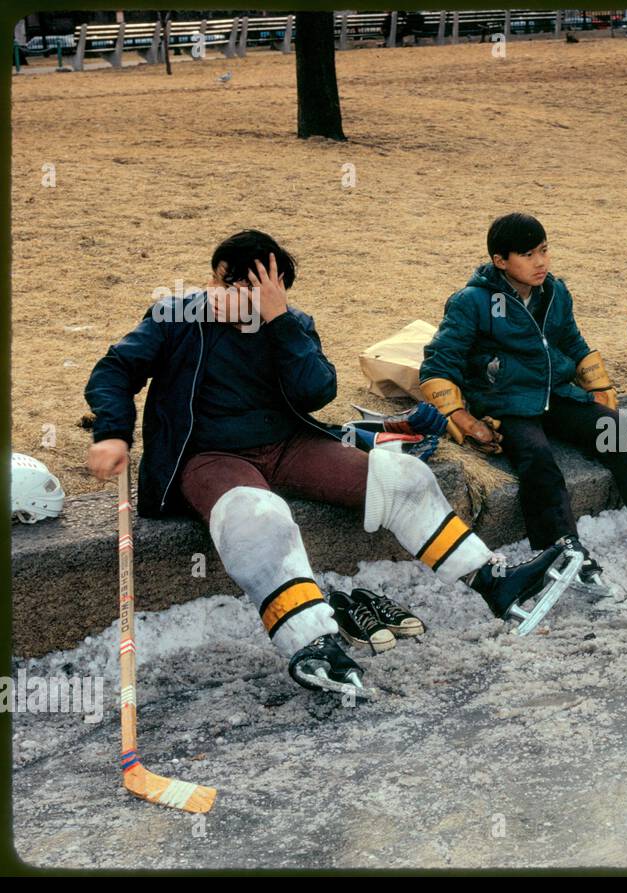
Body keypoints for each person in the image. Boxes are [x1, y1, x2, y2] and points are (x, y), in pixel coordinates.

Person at [84, 230, 577, 696]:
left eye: (261, 291)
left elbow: (317, 391)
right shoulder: (177, 316)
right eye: (234, 285)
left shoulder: (291, 325)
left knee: (404, 475)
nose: (242, 300)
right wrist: (112, 433)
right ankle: (310, 642)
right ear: (216, 277)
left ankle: (490, 578)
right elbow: (116, 369)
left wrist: (278, 323)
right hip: (208, 456)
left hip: (287, 445)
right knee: (259, 517)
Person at [419, 213, 627, 591]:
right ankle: (561, 547)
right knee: (538, 459)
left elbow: (572, 344)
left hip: (557, 392)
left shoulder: (555, 293)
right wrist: (463, 419)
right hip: (506, 401)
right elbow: (439, 362)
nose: (540, 262)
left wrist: (600, 389)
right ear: (500, 261)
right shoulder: (472, 302)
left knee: (623, 432)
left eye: (544, 251)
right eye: (527, 255)